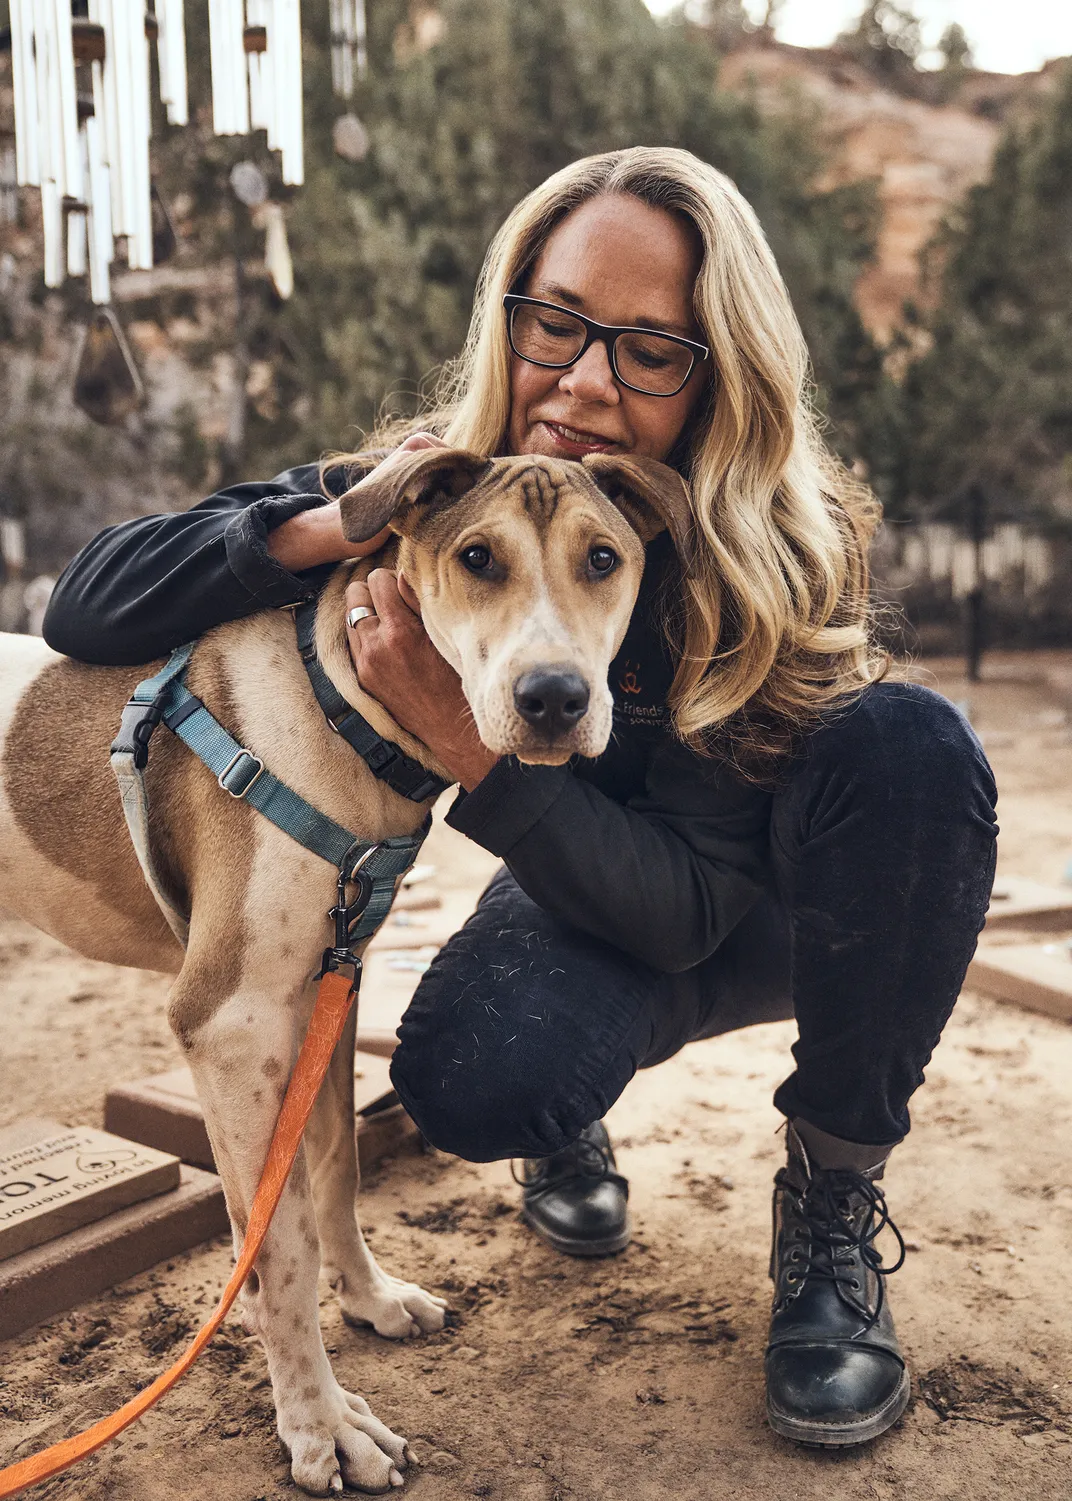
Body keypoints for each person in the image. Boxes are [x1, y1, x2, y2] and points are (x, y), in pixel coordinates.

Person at [43, 147, 998, 1448]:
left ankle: (832, 1195)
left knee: (911, 747)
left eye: (651, 349)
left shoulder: (762, 552)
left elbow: (685, 912)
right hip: (572, 882)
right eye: (558, 323)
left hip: (739, 897)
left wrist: (473, 748)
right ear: (514, 315)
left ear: (718, 365)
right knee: (476, 1082)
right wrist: (345, 520)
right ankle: (567, 1112)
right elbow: (89, 601)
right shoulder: (439, 490)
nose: (587, 379)